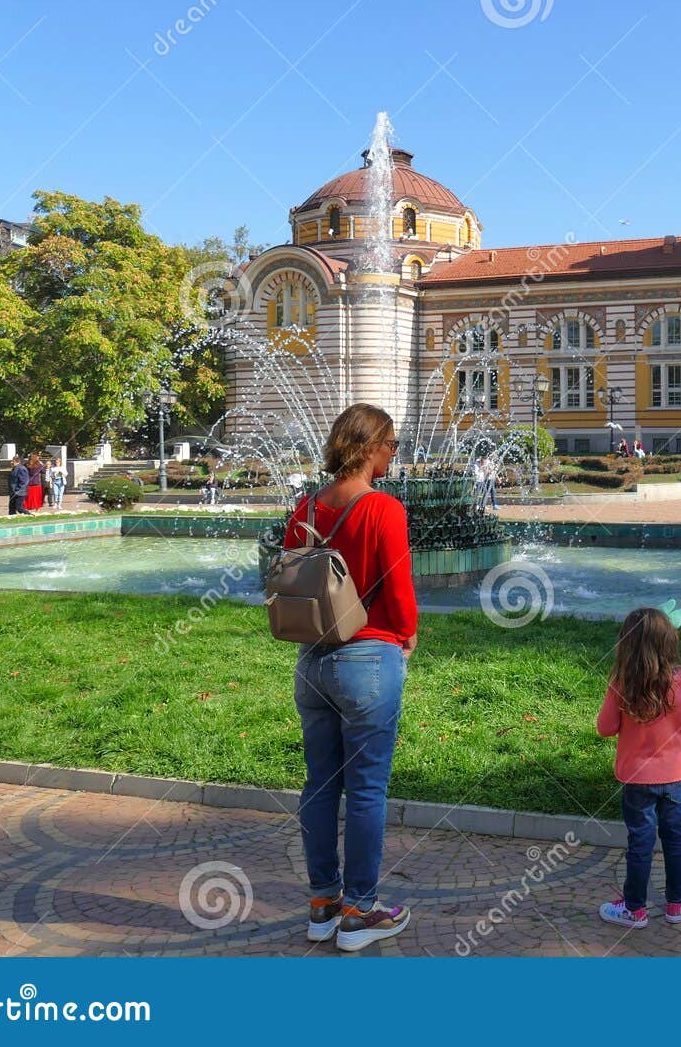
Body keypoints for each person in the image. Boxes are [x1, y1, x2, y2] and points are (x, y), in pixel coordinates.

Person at [284, 403, 420, 952]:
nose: (393, 454)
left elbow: (293, 581)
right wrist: (407, 634)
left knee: (319, 785)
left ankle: (323, 904)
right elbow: (398, 589)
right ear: (367, 448)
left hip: (313, 661)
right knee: (365, 790)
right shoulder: (383, 509)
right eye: (389, 445)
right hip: (369, 659)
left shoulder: (306, 506)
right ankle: (361, 912)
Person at [596, 606, 681, 929]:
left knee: (640, 843)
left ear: (626, 644)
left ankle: (634, 909)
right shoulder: (680, 681)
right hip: (676, 777)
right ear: (669, 641)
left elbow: (605, 727)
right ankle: (676, 902)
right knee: (675, 838)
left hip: (638, 779)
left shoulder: (622, 684)